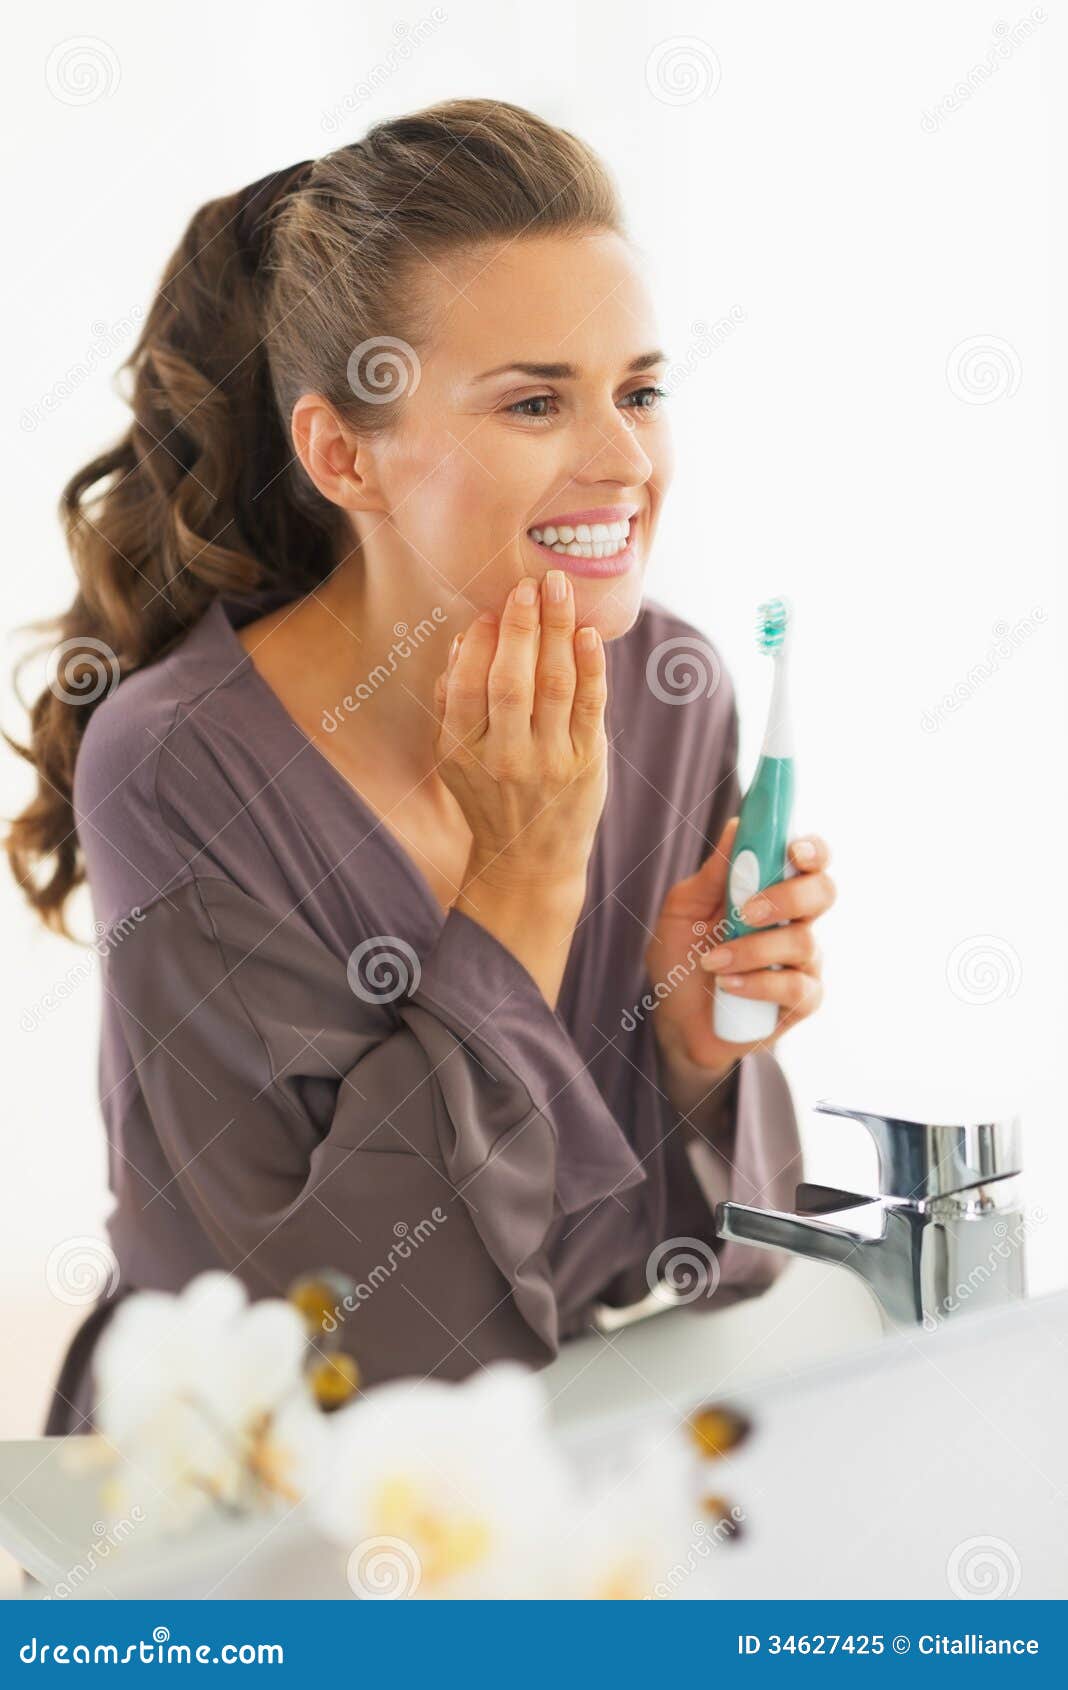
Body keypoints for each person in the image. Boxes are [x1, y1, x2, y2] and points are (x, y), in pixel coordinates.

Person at [6, 99, 835, 1435]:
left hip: (530, 1471)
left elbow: (660, 1261)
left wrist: (687, 1053)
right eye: (534, 400)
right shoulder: (180, 763)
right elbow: (349, 1346)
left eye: (639, 390)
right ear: (344, 453)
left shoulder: (670, 688)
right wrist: (520, 885)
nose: (624, 463)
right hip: (236, 1506)